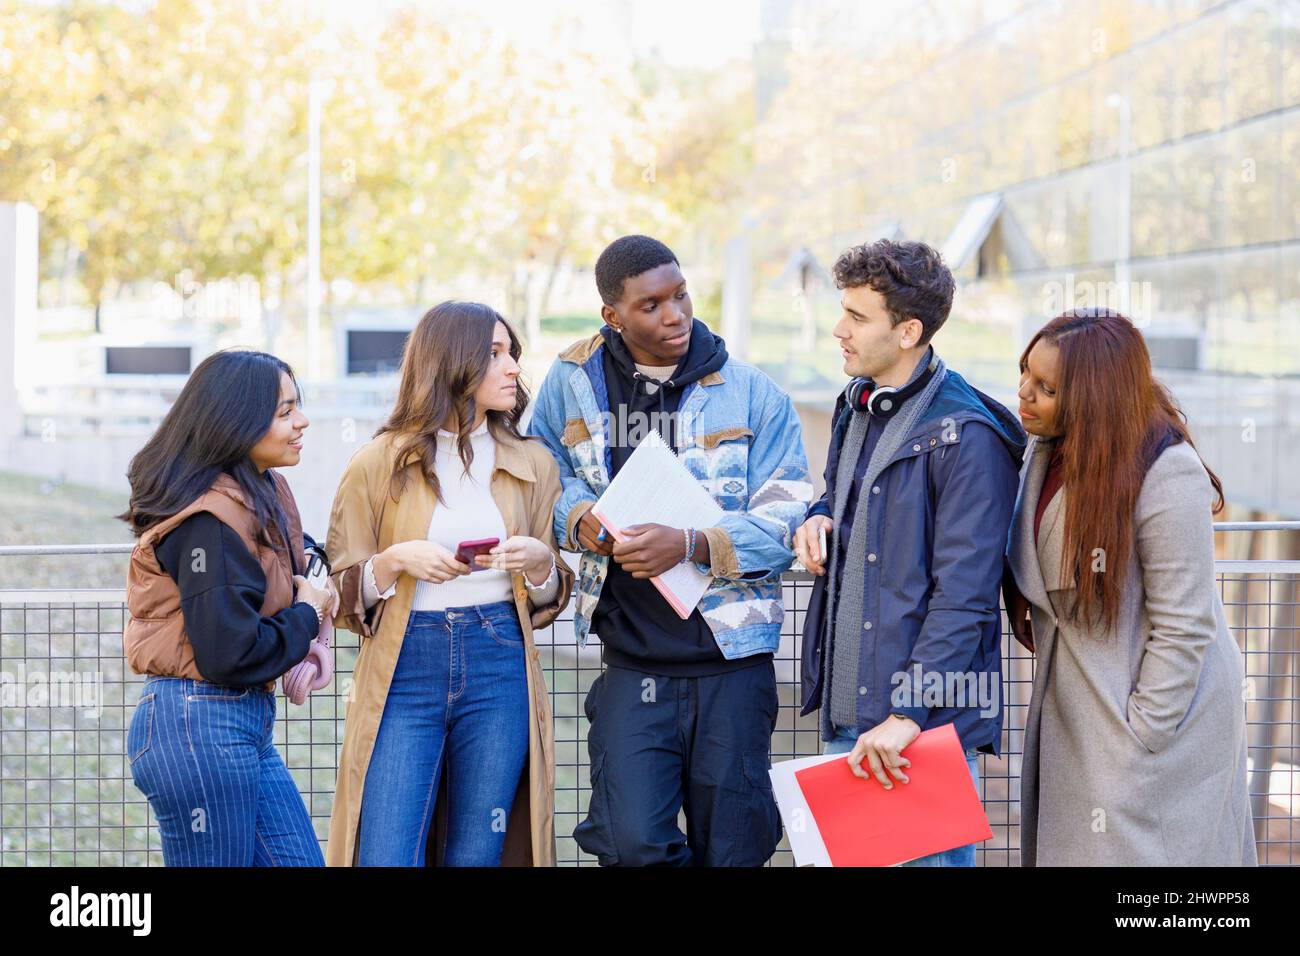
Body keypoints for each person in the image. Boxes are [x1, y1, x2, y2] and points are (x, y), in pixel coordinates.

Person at [529, 234, 812, 866]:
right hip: (632, 663)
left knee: (734, 848)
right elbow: (537, 471)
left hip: (732, 664)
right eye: (651, 305)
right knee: (632, 844)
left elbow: (788, 513)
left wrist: (692, 543)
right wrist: (580, 522)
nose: (674, 314)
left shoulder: (750, 391)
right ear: (614, 316)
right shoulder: (572, 383)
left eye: (680, 295)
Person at [794, 238, 1025, 866]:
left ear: (908, 331)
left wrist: (907, 715)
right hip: (856, 718)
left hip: (917, 732)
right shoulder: (856, 404)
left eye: (857, 317)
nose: (838, 330)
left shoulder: (969, 437)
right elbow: (844, 495)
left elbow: (966, 599)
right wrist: (818, 517)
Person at [324, 301, 573, 867]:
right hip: (403, 664)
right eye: (494, 354)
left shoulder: (535, 463)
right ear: (450, 362)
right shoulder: (374, 463)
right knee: (386, 850)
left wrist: (538, 562)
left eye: (513, 353)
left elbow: (553, 591)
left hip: (500, 662)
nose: (513, 368)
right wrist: (392, 562)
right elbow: (339, 596)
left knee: (478, 852)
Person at [1005, 308, 1256, 866]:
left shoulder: (1166, 470)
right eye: (1026, 372)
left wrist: (1140, 736)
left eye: (1046, 387)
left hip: (1157, 725)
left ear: (1092, 399)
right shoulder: (1045, 449)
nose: (1024, 392)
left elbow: (1185, 625)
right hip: (1080, 708)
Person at [120, 349, 335, 866]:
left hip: (238, 725)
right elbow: (227, 652)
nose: (302, 420)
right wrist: (306, 615)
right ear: (235, 423)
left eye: (297, 406)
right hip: (199, 728)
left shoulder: (257, 494)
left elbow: (278, 569)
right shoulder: (208, 523)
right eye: (285, 412)